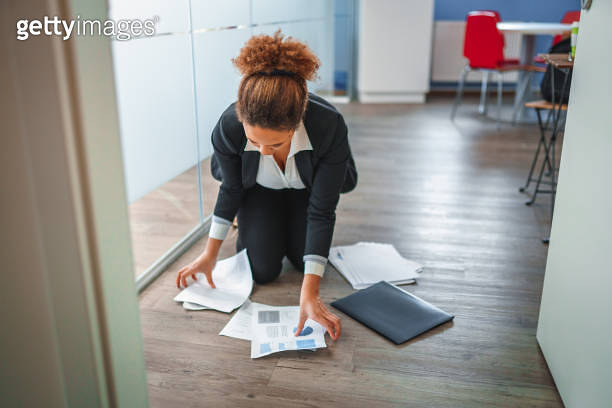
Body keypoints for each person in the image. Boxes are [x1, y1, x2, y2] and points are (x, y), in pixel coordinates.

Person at [175, 29, 357, 341]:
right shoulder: (229, 127)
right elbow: (231, 189)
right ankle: (257, 223)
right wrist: (210, 254)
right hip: (257, 192)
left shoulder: (327, 126)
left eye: (274, 143)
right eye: (253, 140)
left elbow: (323, 211)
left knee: (306, 264)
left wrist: (309, 294)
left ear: (297, 121)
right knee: (262, 270)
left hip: (308, 191)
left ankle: (283, 229)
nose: (262, 151)